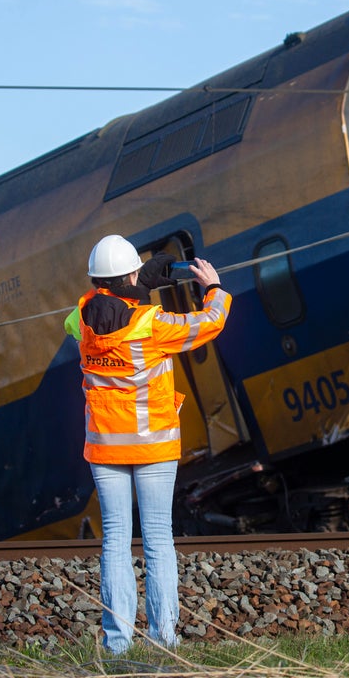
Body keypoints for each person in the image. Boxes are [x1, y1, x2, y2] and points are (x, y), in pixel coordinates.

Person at [64, 234, 231, 654]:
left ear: (95, 280)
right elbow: (210, 322)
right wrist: (213, 288)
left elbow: (99, 304)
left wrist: (136, 286)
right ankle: (164, 639)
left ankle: (118, 644)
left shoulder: (80, 322)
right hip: (152, 445)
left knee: (115, 541)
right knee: (157, 540)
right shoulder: (152, 325)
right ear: (131, 274)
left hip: (105, 447)